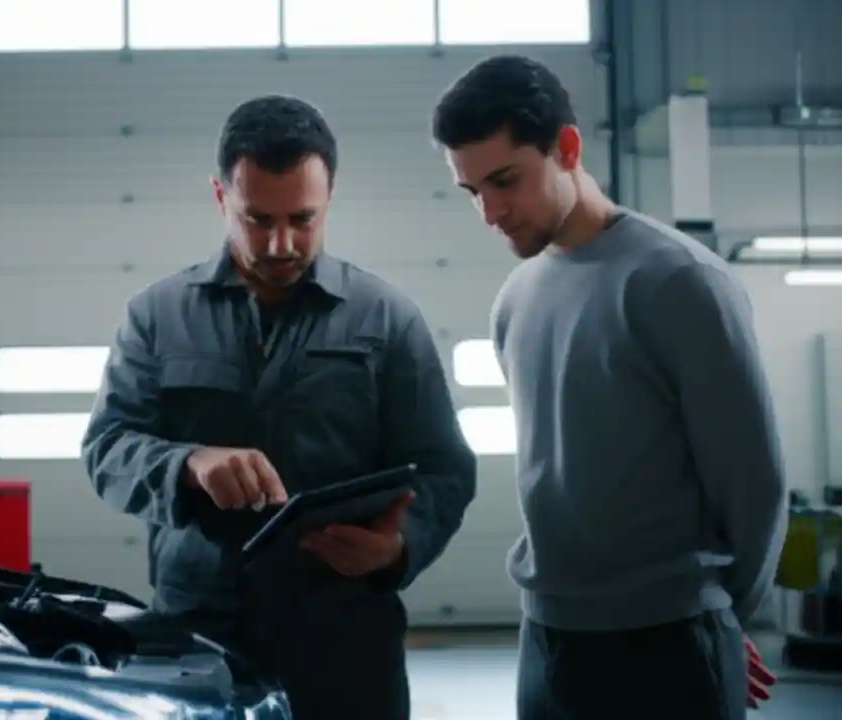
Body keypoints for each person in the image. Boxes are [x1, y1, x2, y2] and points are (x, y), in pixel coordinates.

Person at [81, 93, 477, 720]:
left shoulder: (388, 319)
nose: (280, 244)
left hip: (346, 637)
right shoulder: (155, 316)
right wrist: (189, 464)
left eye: (303, 218)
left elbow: (445, 467)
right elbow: (106, 449)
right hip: (198, 635)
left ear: (331, 196)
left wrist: (398, 547)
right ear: (220, 198)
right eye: (258, 220)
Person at [429, 54, 788, 719]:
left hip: (669, 642)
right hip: (549, 640)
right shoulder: (516, 299)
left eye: (505, 180)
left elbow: (754, 482)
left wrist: (721, 619)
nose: (489, 212)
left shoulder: (678, 281)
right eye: (472, 190)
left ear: (567, 147)